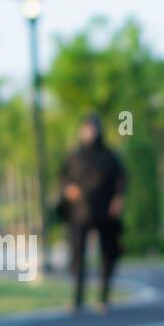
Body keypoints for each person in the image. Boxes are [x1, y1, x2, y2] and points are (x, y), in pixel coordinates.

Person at [59, 113, 126, 314]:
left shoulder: (110, 155)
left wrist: (118, 199)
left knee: (107, 253)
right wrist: (68, 189)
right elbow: (63, 178)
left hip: (105, 211)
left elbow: (121, 179)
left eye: (94, 128)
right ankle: (77, 297)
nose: (91, 132)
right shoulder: (74, 156)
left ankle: (103, 296)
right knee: (78, 254)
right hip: (80, 212)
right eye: (87, 128)